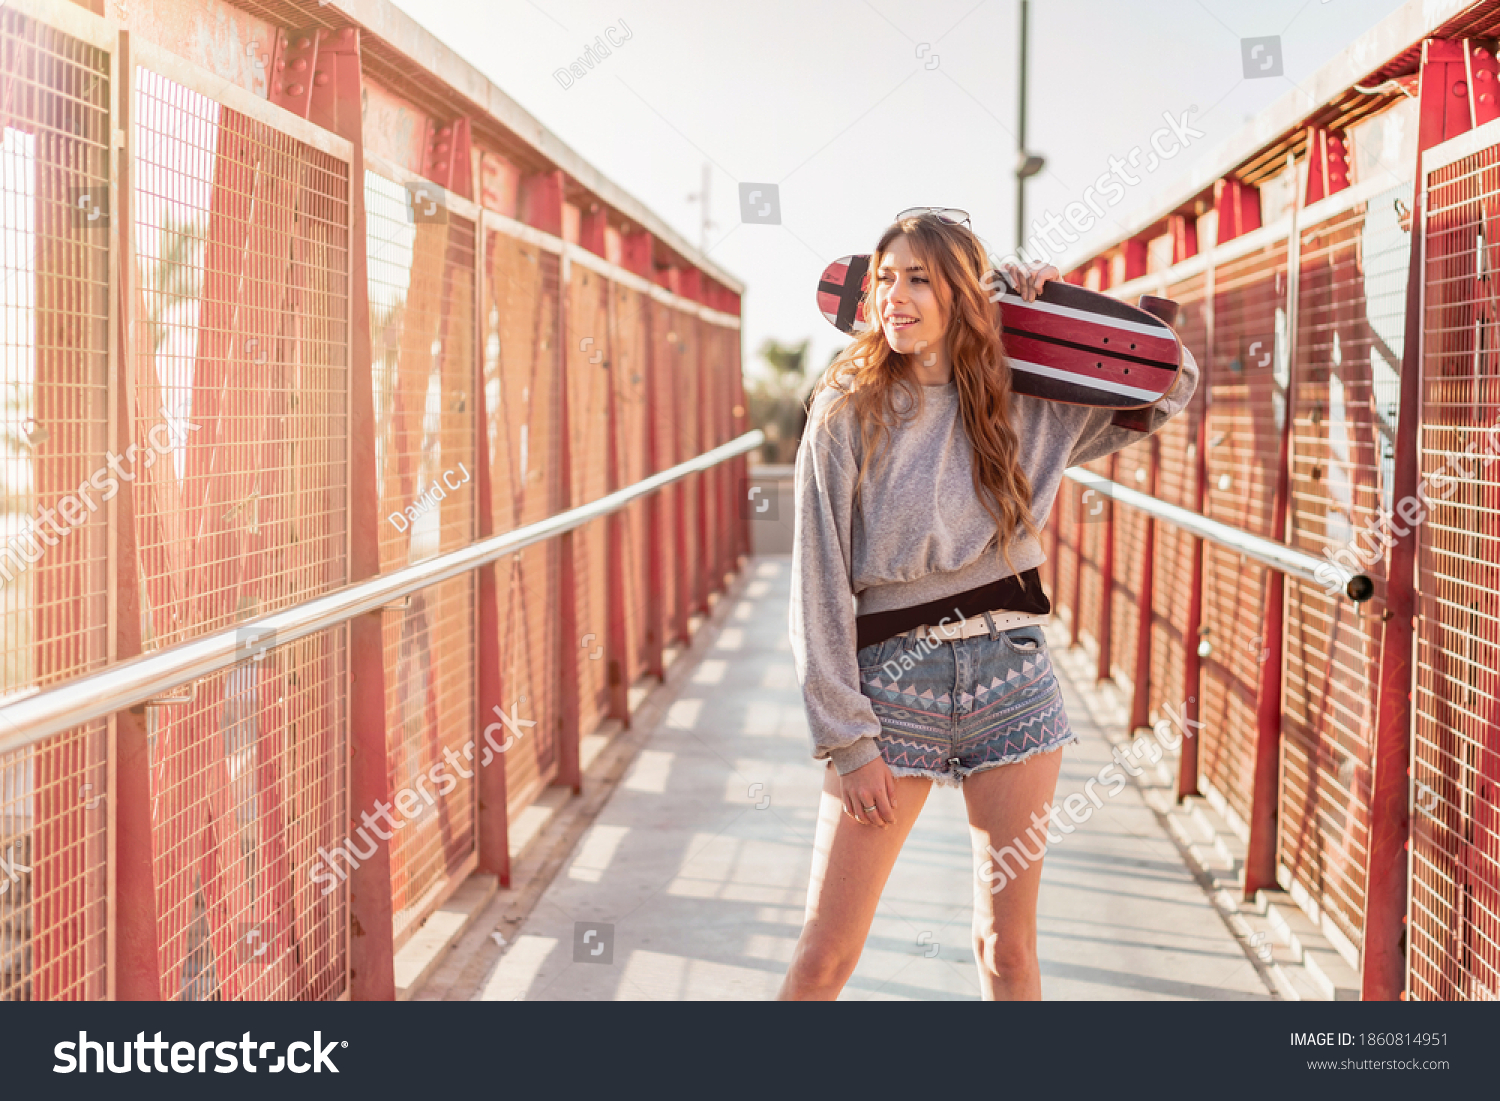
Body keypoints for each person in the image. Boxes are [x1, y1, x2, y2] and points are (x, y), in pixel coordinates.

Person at [778, 208, 1200, 1000]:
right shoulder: (847, 409)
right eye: (884, 279)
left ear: (961, 295)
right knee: (825, 953)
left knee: (1008, 949)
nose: (893, 296)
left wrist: (1063, 312)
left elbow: (1168, 384)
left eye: (918, 279)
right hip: (891, 689)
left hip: (1012, 674)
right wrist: (847, 738)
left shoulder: (1024, 400)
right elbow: (816, 586)